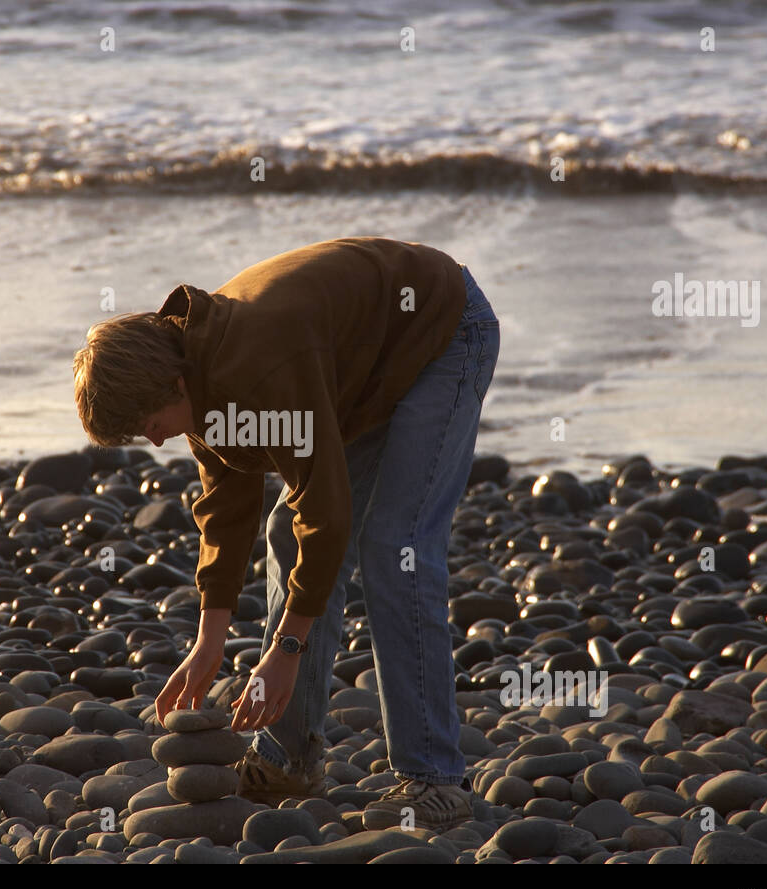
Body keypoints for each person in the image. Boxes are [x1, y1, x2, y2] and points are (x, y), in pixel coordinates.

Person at [72, 236, 499, 829]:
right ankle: (288, 759)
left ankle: (435, 779)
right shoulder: (189, 371)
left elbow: (325, 511)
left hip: (443, 331)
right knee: (287, 533)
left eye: (151, 426)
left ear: (173, 387)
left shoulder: (260, 367)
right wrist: (208, 643)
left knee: (395, 547)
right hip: (365, 364)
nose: (157, 441)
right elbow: (226, 508)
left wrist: (287, 647)